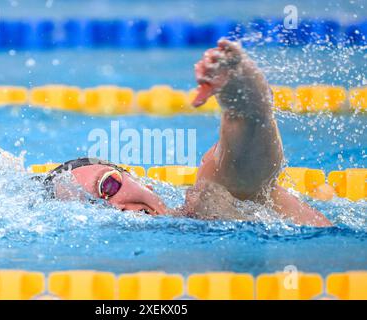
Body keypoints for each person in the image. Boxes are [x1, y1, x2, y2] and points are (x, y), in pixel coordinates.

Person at [41, 39, 332, 227]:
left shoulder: (211, 203)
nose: (111, 207)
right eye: (88, 209)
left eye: (107, 187)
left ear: (143, 183)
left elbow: (248, 145)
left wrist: (240, 93)